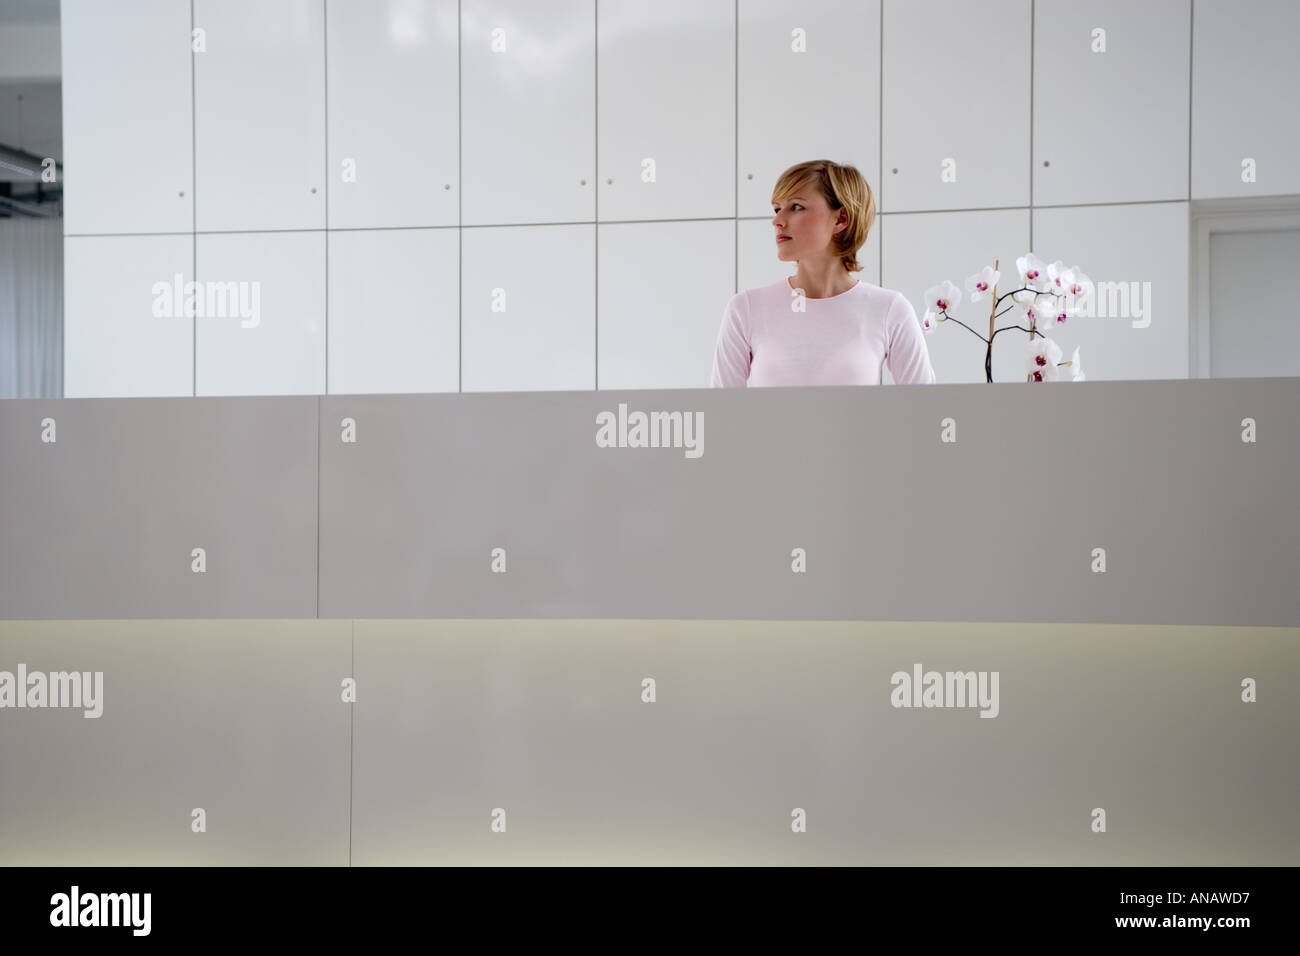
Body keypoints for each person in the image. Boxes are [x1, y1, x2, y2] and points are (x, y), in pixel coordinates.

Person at [710, 160, 936, 388]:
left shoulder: (889, 309)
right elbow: (721, 414)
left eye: (796, 207)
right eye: (777, 209)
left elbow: (925, 410)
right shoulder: (746, 308)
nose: (777, 221)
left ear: (841, 219)